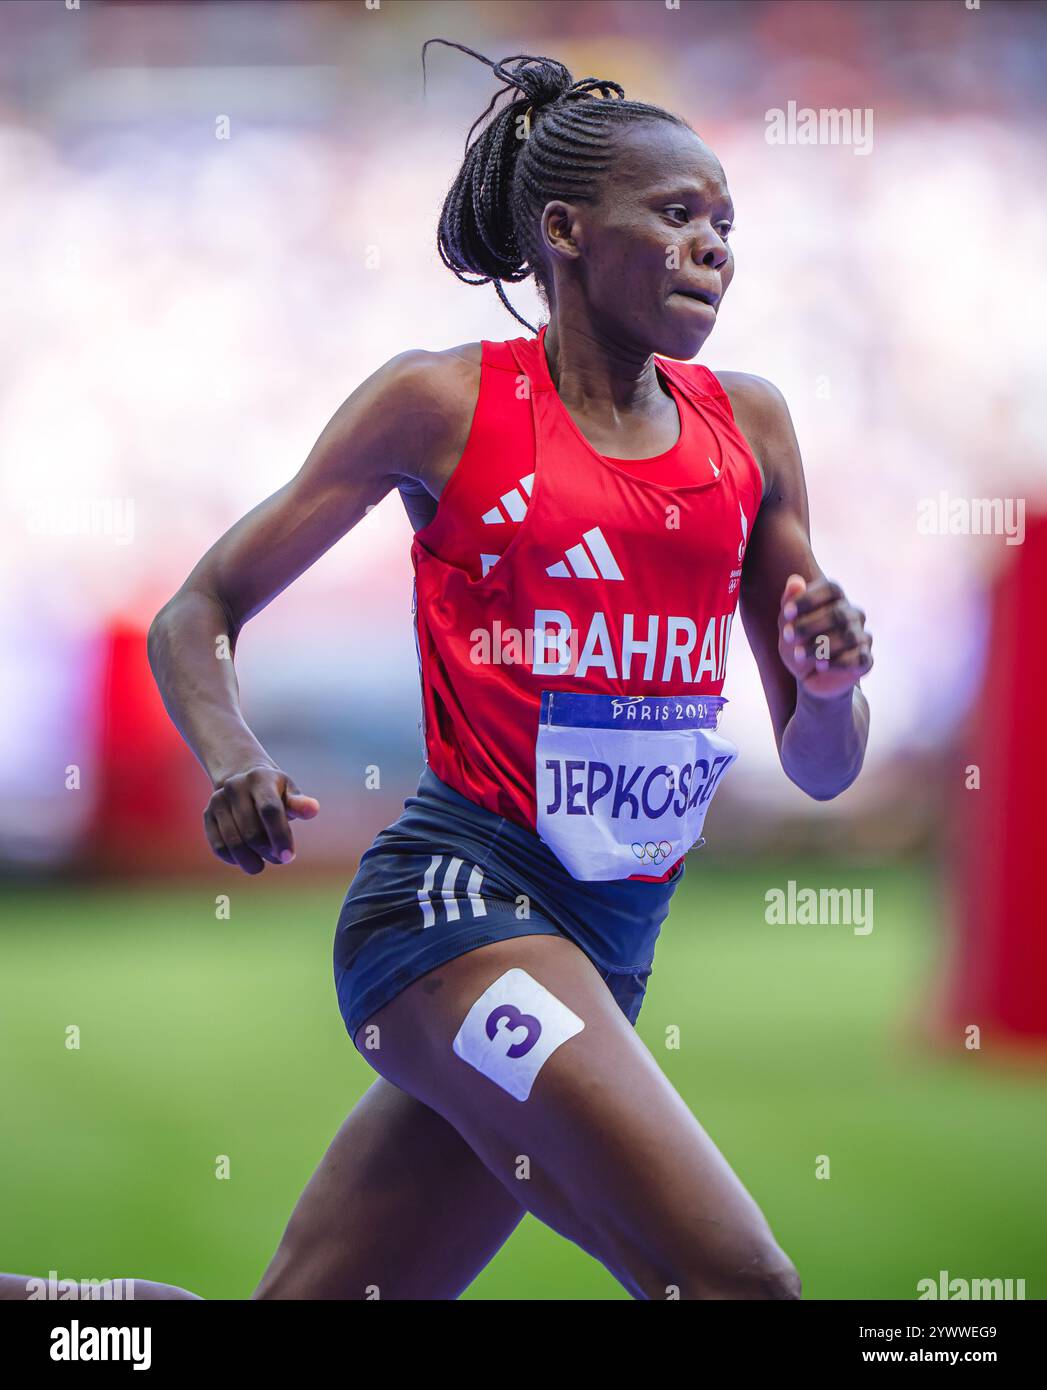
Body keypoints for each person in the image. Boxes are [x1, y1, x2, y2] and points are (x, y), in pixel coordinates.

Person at [147, 42, 872, 1301]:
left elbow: (823, 767)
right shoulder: (442, 403)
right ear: (567, 232)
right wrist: (236, 755)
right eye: (678, 212)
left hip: (602, 957)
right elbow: (197, 607)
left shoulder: (749, 429)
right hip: (452, 911)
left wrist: (822, 684)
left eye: (727, 222)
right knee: (746, 1287)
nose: (716, 246)